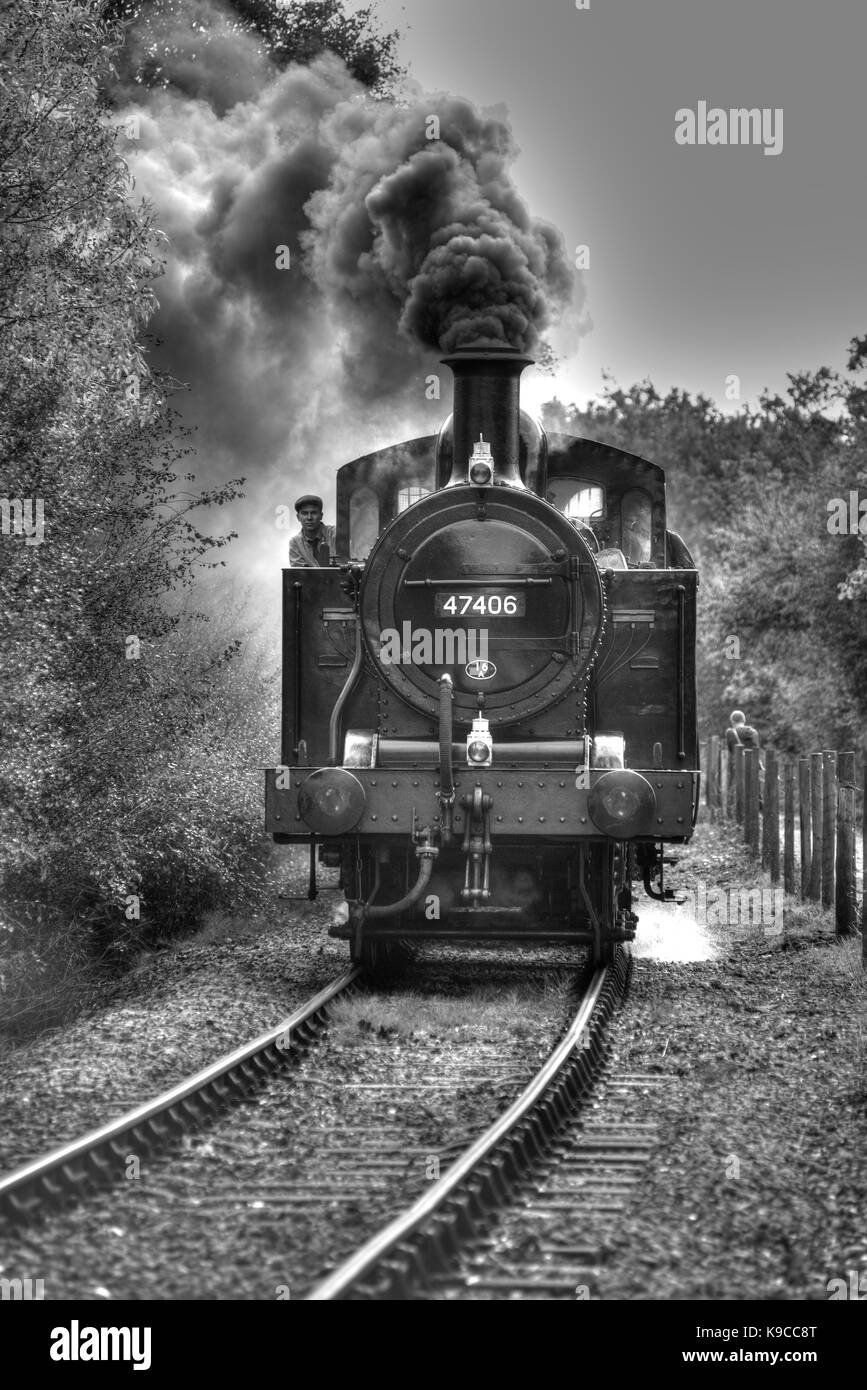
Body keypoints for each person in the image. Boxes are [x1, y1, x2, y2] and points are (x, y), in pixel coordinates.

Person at [289, 495, 337, 567]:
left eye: (314, 513)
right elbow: (300, 574)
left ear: (321, 515)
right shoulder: (295, 543)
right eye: (305, 513)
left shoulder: (335, 534)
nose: (309, 517)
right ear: (298, 517)